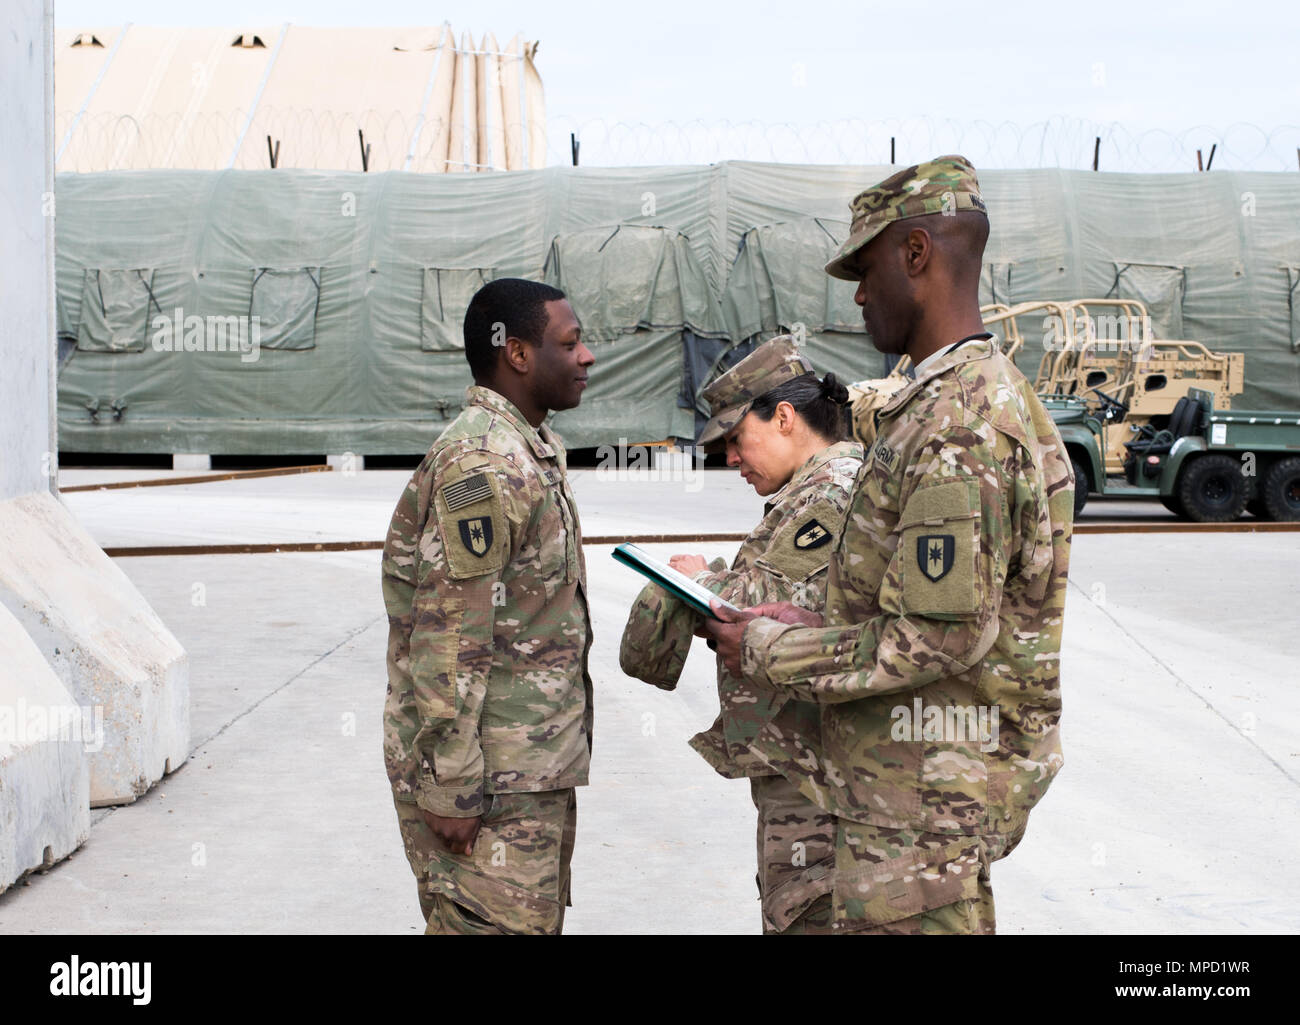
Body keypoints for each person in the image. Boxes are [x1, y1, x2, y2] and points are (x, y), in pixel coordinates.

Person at [700, 155, 1074, 935]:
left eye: (866, 270)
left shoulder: (959, 423)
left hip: (922, 828)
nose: (861, 294)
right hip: (901, 809)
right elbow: (910, 609)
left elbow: (935, 637)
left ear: (916, 255)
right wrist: (813, 625)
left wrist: (767, 648)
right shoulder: (940, 401)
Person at [618, 334, 864, 934]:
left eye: (735, 438)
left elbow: (761, 612)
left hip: (820, 770)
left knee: (808, 910)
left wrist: (702, 579)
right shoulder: (811, 488)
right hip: (809, 758)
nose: (730, 458)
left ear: (783, 417)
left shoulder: (829, 492)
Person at [381, 277, 596, 935]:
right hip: (490, 780)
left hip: (527, 769)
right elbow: (450, 630)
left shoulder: (526, 446)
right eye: (571, 340)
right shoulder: (483, 461)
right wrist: (451, 779)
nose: (587, 355)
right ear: (519, 354)